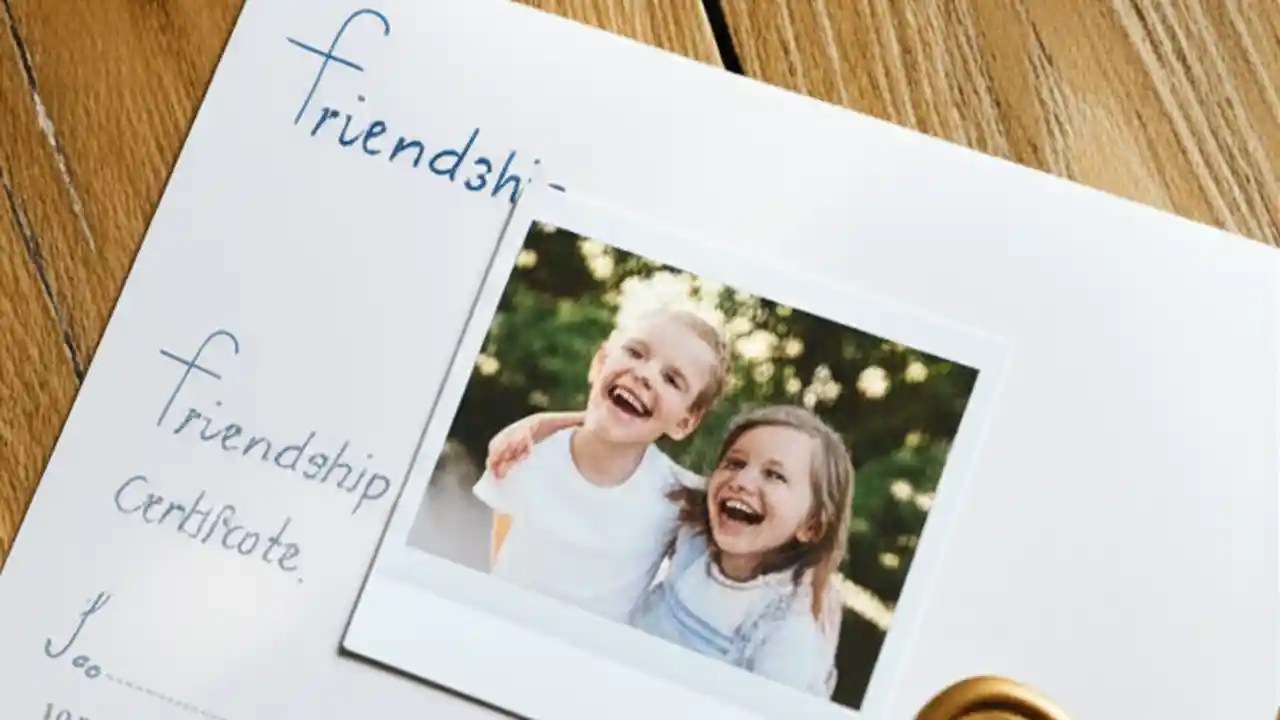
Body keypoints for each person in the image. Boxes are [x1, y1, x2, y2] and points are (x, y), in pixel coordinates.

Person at [487, 405, 854, 698]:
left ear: (812, 526)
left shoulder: (790, 630)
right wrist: (538, 425)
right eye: (735, 463)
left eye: (774, 475)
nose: (742, 481)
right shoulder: (697, 524)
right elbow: (618, 436)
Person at [472, 308, 729, 623]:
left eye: (671, 379)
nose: (645, 374)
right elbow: (500, 545)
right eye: (635, 352)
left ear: (685, 422)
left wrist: (541, 422)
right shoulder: (526, 450)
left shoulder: (679, 498)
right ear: (600, 362)